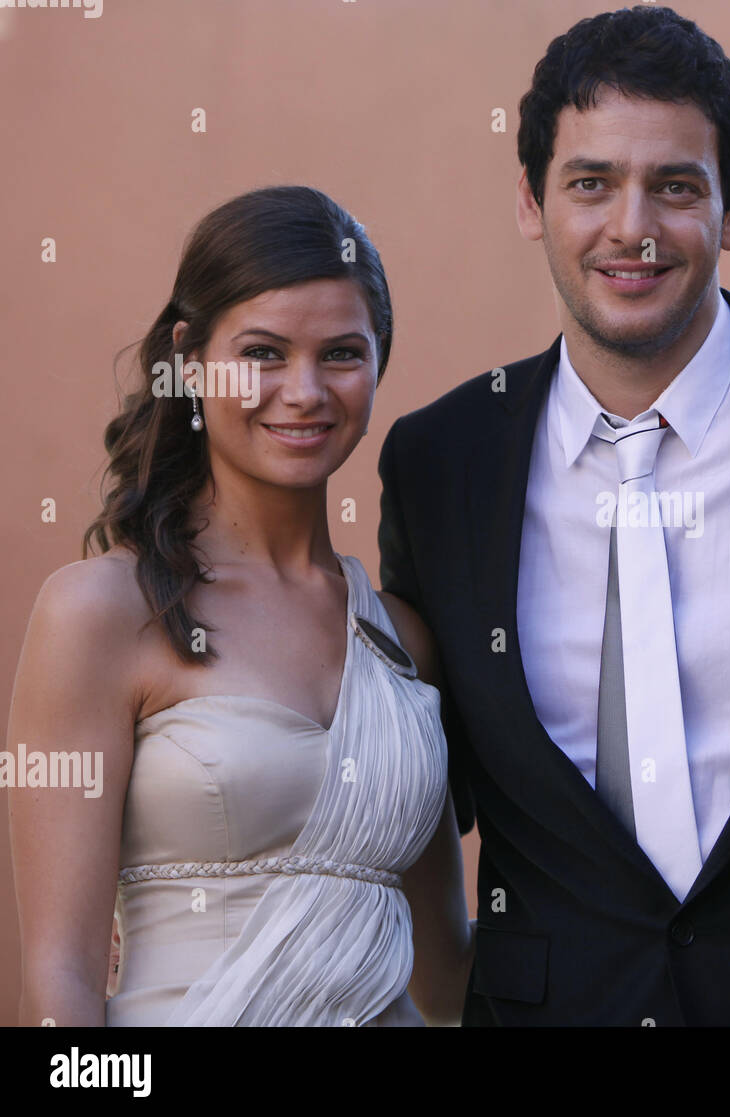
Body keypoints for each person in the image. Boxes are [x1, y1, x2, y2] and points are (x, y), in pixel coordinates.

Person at [378, 6, 730, 1025]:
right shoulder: (441, 461)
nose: (632, 227)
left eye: (676, 186)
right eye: (591, 182)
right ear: (530, 201)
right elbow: (430, 786)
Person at [8, 185, 472, 1026]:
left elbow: (447, 973)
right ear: (189, 358)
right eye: (262, 352)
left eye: (341, 354)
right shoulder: (102, 612)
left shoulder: (403, 639)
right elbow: (58, 978)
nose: (303, 391)